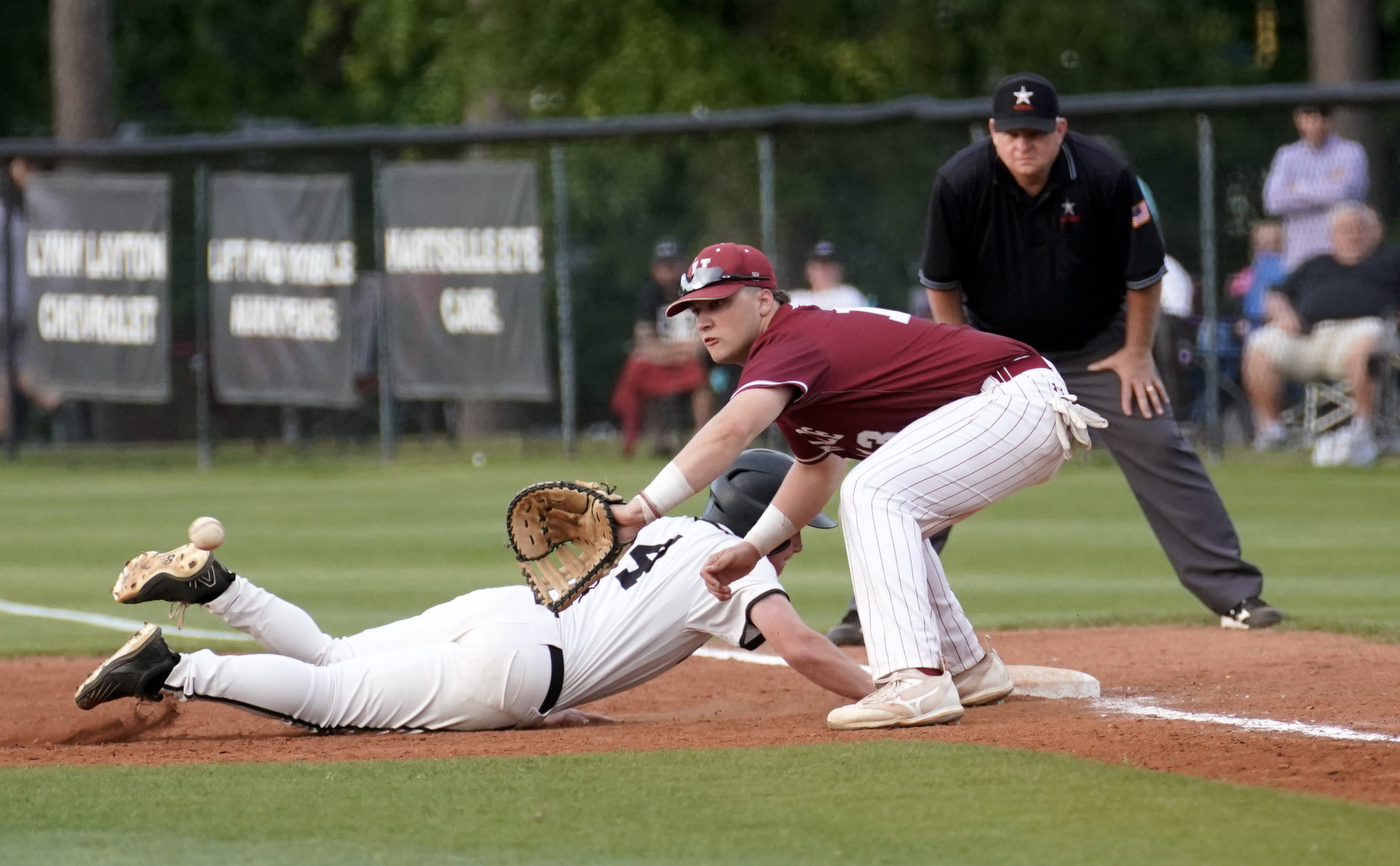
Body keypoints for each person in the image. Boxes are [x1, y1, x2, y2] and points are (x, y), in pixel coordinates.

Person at [611, 241, 1100, 730]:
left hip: (1015, 397)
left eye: (718, 303)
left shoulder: (792, 340)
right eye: (695, 309)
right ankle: (967, 669)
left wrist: (641, 511)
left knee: (873, 492)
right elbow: (817, 470)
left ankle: (914, 679)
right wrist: (755, 547)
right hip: (1013, 405)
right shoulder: (787, 365)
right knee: (890, 506)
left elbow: (730, 431)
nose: (703, 320)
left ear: (764, 300)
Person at [75, 450, 877, 730]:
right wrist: (888, 692)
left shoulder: (663, 528)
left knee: (335, 655)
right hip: (523, 668)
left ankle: (218, 586)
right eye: (797, 518)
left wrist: (566, 698)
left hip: (506, 616)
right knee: (331, 703)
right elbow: (803, 646)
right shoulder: (741, 563)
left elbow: (624, 618)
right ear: (757, 515)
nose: (800, 535)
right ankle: (173, 670)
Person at [911, 71, 1281, 633]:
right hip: (1001, 356)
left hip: (1099, 350)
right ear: (992, 132)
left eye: (1035, 132)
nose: (1023, 144)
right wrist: (964, 361)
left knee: (1158, 442)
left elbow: (1145, 276)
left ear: (1060, 130)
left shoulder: (1105, 175)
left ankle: (1235, 596)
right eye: (1011, 133)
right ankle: (873, 609)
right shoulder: (960, 182)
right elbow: (941, 283)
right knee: (937, 461)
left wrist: (1136, 353)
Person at [1244, 203, 1400, 466]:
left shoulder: (1390, 260)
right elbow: (1276, 295)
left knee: (1368, 334)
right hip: (1310, 335)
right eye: (1344, 230)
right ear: (1332, 235)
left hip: (1364, 332)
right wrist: (1283, 314)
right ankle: (1271, 431)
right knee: (1260, 343)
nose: (1352, 235)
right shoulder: (1315, 264)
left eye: (1358, 229)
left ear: (1374, 232)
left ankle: (1362, 430)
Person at [610, 239, 714, 457]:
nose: (668, 271)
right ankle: (659, 440)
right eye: (663, 265)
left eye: (673, 264)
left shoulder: (699, 291)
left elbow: (705, 338)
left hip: (697, 356)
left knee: (701, 379)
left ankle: (700, 438)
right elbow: (644, 339)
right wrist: (673, 353)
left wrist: (683, 351)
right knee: (641, 374)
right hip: (665, 357)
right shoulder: (650, 295)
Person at [1263, 104, 1368, 273]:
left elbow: (1342, 194)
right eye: (1308, 117)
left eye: (1320, 117)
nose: (1314, 123)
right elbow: (1273, 201)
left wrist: (1297, 187)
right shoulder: (1287, 156)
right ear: (1298, 120)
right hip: (1299, 256)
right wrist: (1326, 186)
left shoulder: (1351, 152)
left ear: (1328, 121)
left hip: (1339, 254)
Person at [787, 242, 868, 310]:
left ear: (838, 270)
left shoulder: (850, 296)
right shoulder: (795, 299)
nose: (823, 272)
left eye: (828, 267)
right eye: (817, 268)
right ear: (808, 271)